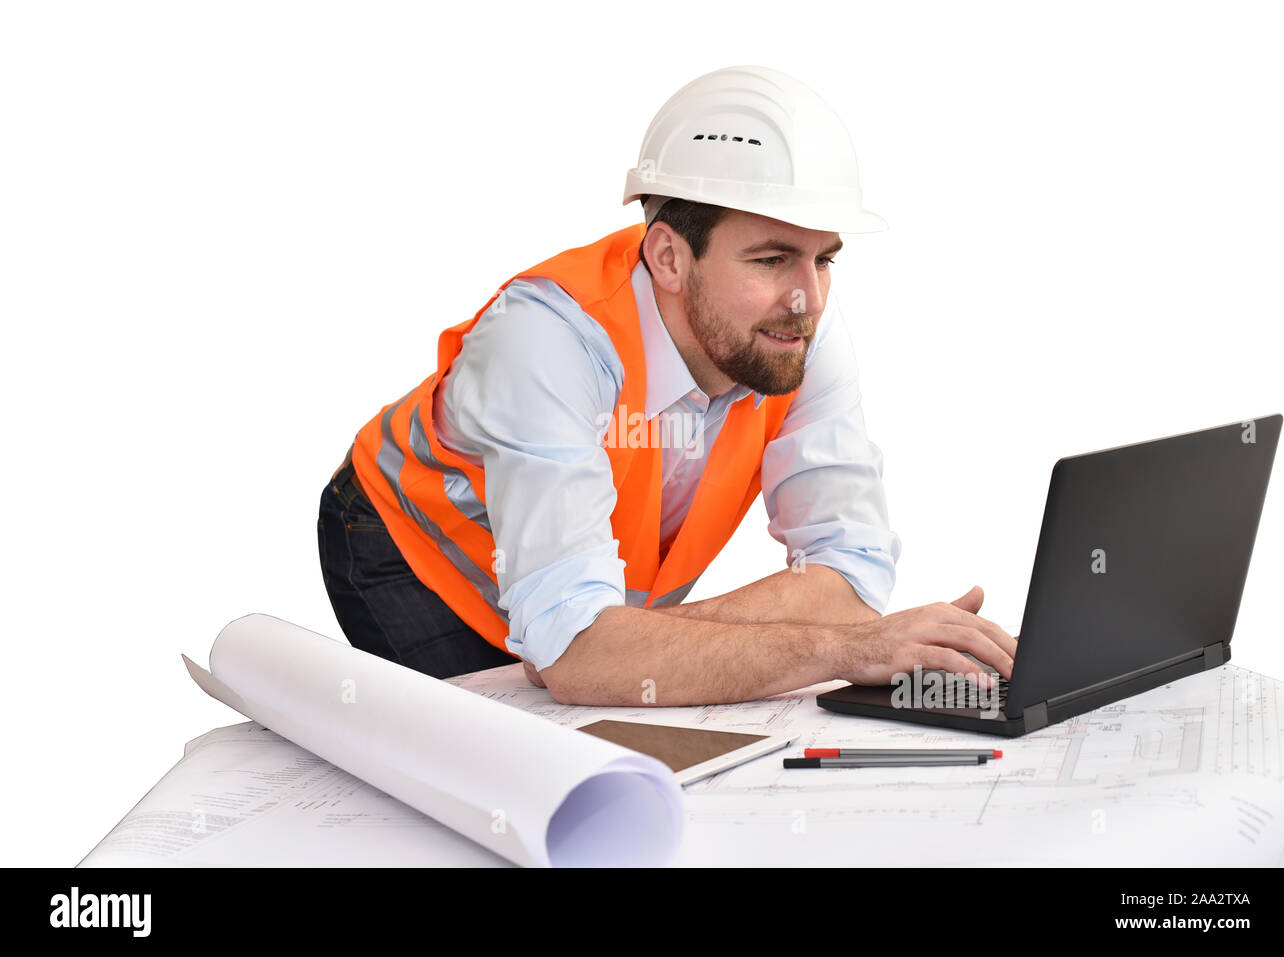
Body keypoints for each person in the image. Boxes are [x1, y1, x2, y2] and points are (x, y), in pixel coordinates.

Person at [317, 64, 1016, 705]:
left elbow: (853, 575)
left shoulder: (796, 331)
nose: (807, 299)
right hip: (411, 549)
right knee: (485, 770)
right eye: (772, 259)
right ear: (669, 257)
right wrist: (844, 649)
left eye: (823, 260)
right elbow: (578, 657)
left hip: (581, 595)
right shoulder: (547, 340)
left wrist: (623, 641)